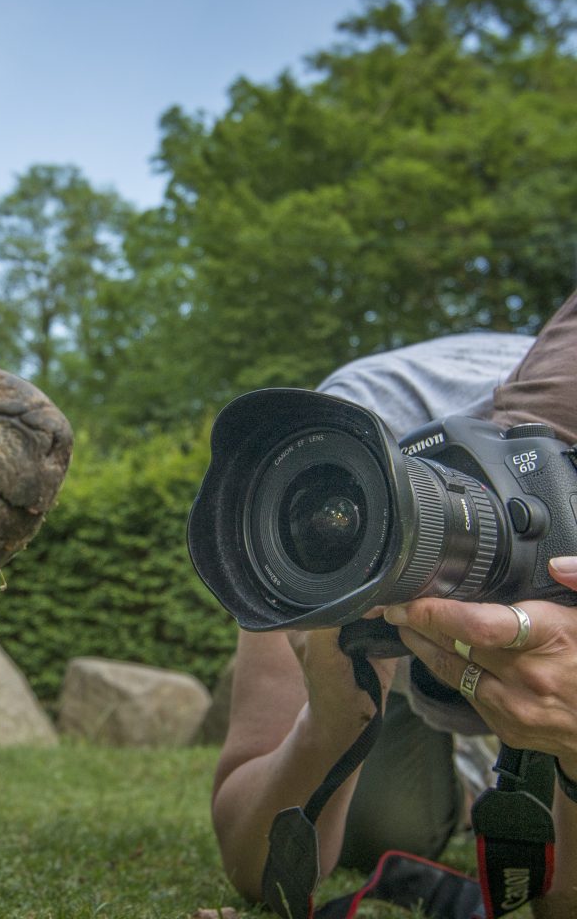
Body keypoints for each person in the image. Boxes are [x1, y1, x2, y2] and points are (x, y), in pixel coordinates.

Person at [209, 290, 577, 918]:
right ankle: (463, 775)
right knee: (379, 827)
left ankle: (507, 760)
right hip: (410, 673)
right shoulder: (329, 441)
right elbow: (249, 858)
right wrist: (329, 719)